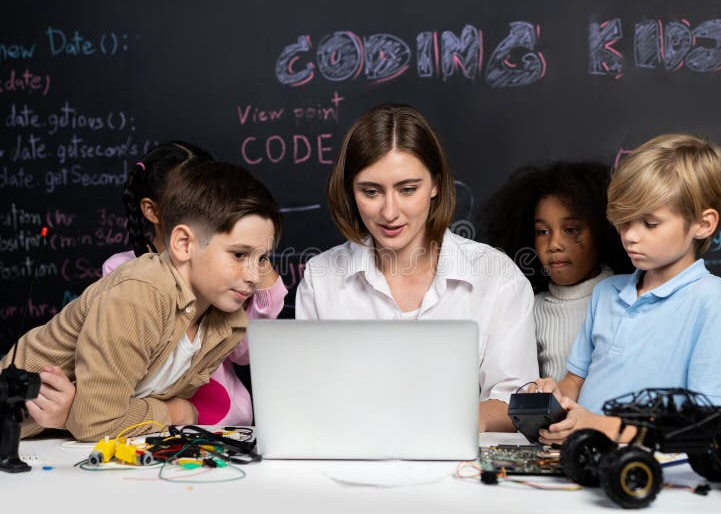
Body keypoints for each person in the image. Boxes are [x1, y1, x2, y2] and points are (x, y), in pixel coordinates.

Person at [295, 104, 538, 432]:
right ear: (350, 192)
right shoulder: (321, 278)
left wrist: (434, 425)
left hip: (461, 468)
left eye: (408, 189)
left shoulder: (498, 277)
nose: (389, 211)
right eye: (370, 192)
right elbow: (307, 397)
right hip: (350, 463)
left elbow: (514, 400)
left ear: (435, 185)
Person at [1, 160, 283, 441]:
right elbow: (97, 422)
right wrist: (178, 414)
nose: (254, 275)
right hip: (18, 435)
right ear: (184, 244)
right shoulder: (139, 294)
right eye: (238, 255)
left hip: (73, 445)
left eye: (262, 258)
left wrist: (76, 415)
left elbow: (102, 418)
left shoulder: (227, 320)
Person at [530, 133, 721, 444]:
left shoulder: (712, 301)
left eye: (650, 223)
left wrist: (598, 426)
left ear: (703, 224)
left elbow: (705, 424)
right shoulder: (606, 293)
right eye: (624, 221)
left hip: (652, 472)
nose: (630, 236)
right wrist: (555, 400)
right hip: (584, 456)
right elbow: (576, 379)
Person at [102, 142, 287, 426]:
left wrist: (252, 252)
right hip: (148, 426)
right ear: (152, 210)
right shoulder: (124, 273)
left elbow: (244, 352)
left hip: (227, 427)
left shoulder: (228, 274)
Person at [485, 162, 632, 380]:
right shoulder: (528, 308)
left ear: (602, 231)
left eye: (571, 230)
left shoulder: (628, 296)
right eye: (542, 231)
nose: (554, 244)